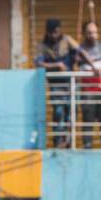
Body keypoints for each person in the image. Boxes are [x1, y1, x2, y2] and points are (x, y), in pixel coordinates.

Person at [36, 18, 79, 148]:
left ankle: (69, 143)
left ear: (60, 30)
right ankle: (58, 143)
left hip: (70, 84)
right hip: (56, 85)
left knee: (71, 115)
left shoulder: (67, 40)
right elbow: (38, 63)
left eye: (56, 32)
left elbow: (81, 52)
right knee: (58, 113)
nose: (54, 35)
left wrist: (91, 66)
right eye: (51, 32)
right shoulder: (43, 46)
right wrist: (57, 65)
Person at [74, 21, 101, 150]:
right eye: (89, 32)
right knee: (88, 123)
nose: (93, 35)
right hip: (88, 93)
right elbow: (74, 67)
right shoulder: (80, 50)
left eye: (95, 32)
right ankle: (87, 149)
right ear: (84, 34)